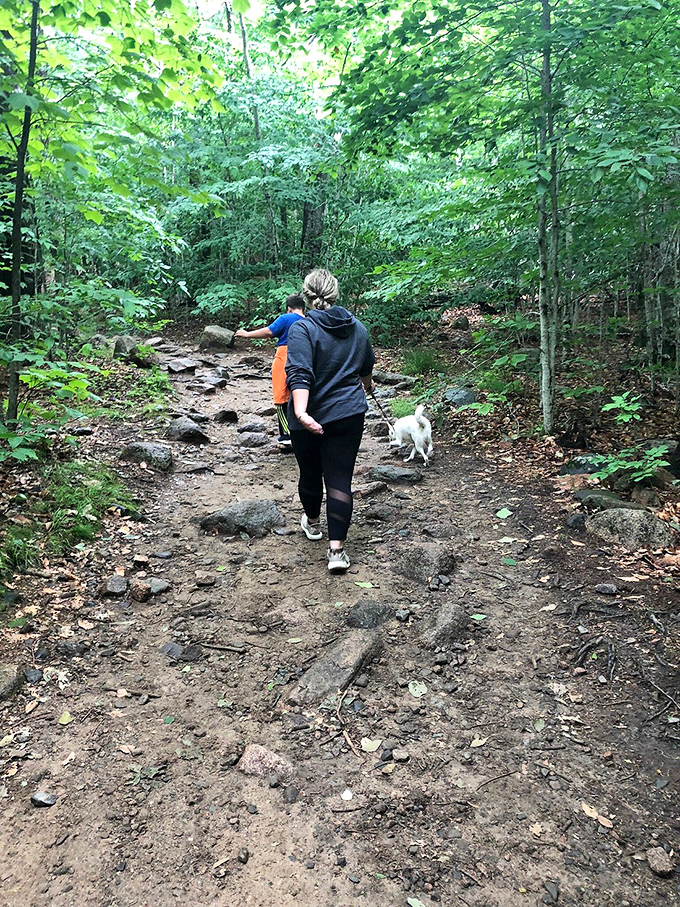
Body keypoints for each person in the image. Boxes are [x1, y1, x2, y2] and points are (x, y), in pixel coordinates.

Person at [285, 269, 375, 574]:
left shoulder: (302, 329)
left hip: (307, 415)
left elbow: (299, 372)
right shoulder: (357, 328)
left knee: (310, 474)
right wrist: (368, 386)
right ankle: (336, 552)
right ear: (336, 294)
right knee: (339, 480)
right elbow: (365, 369)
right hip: (348, 413)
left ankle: (312, 523)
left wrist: (301, 412)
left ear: (307, 295)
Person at [235, 295, 305, 445]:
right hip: (305, 357)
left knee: (281, 396)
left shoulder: (286, 318)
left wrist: (247, 334)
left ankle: (287, 435)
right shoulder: (309, 321)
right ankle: (302, 432)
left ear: (289, 308)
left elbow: (269, 332)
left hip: (285, 355)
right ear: (303, 307)